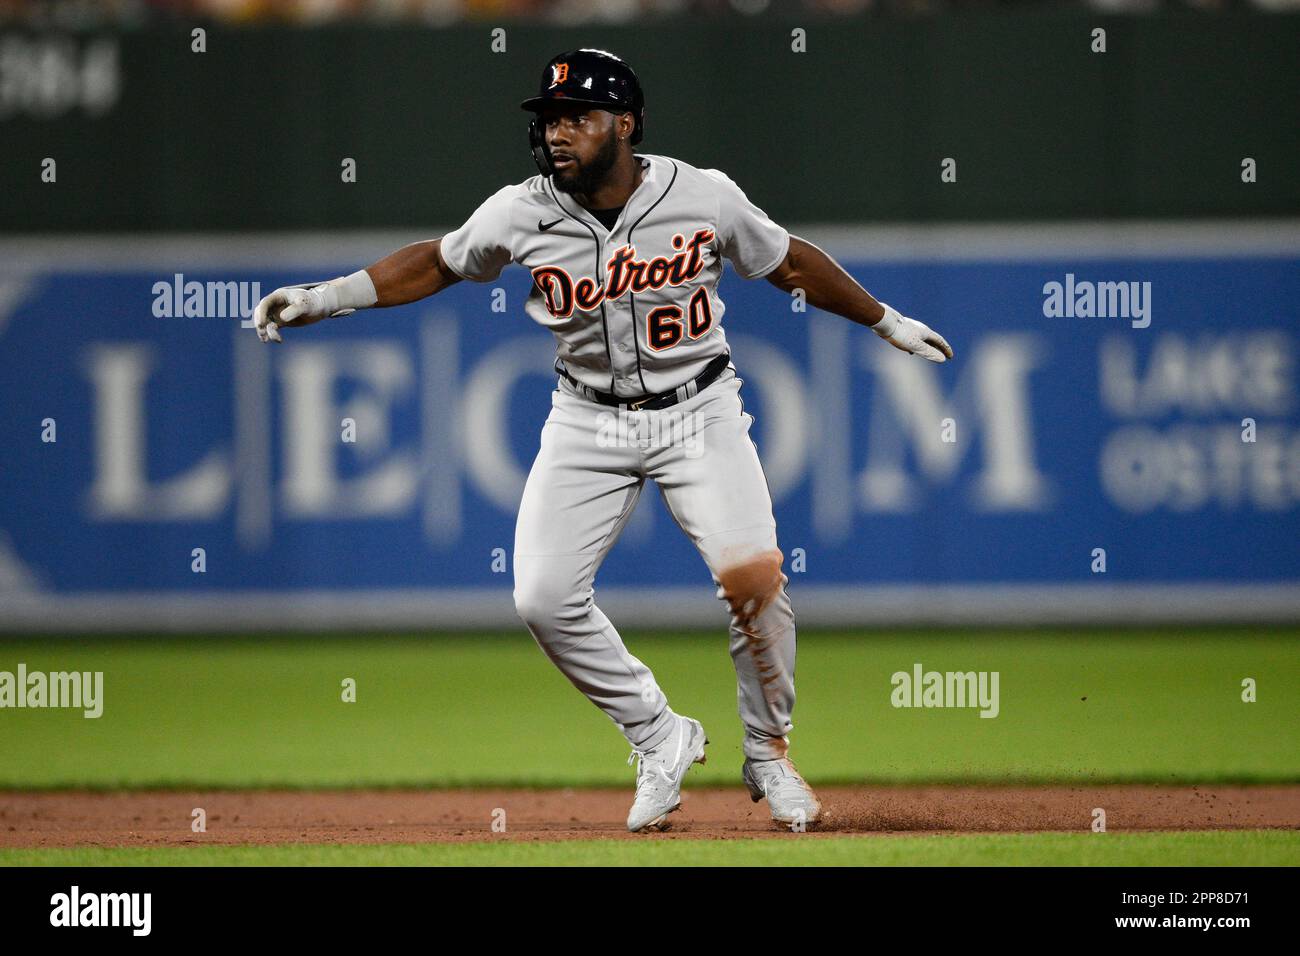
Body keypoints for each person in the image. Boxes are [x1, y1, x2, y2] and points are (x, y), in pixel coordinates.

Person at [252, 48, 953, 832]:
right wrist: (325, 298)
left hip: (700, 408)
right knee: (542, 598)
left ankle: (768, 754)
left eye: (577, 117)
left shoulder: (703, 195)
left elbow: (788, 261)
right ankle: (660, 736)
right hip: (587, 417)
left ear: (624, 123)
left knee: (753, 578)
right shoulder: (520, 210)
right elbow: (439, 263)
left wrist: (885, 320)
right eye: (549, 119)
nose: (558, 133)